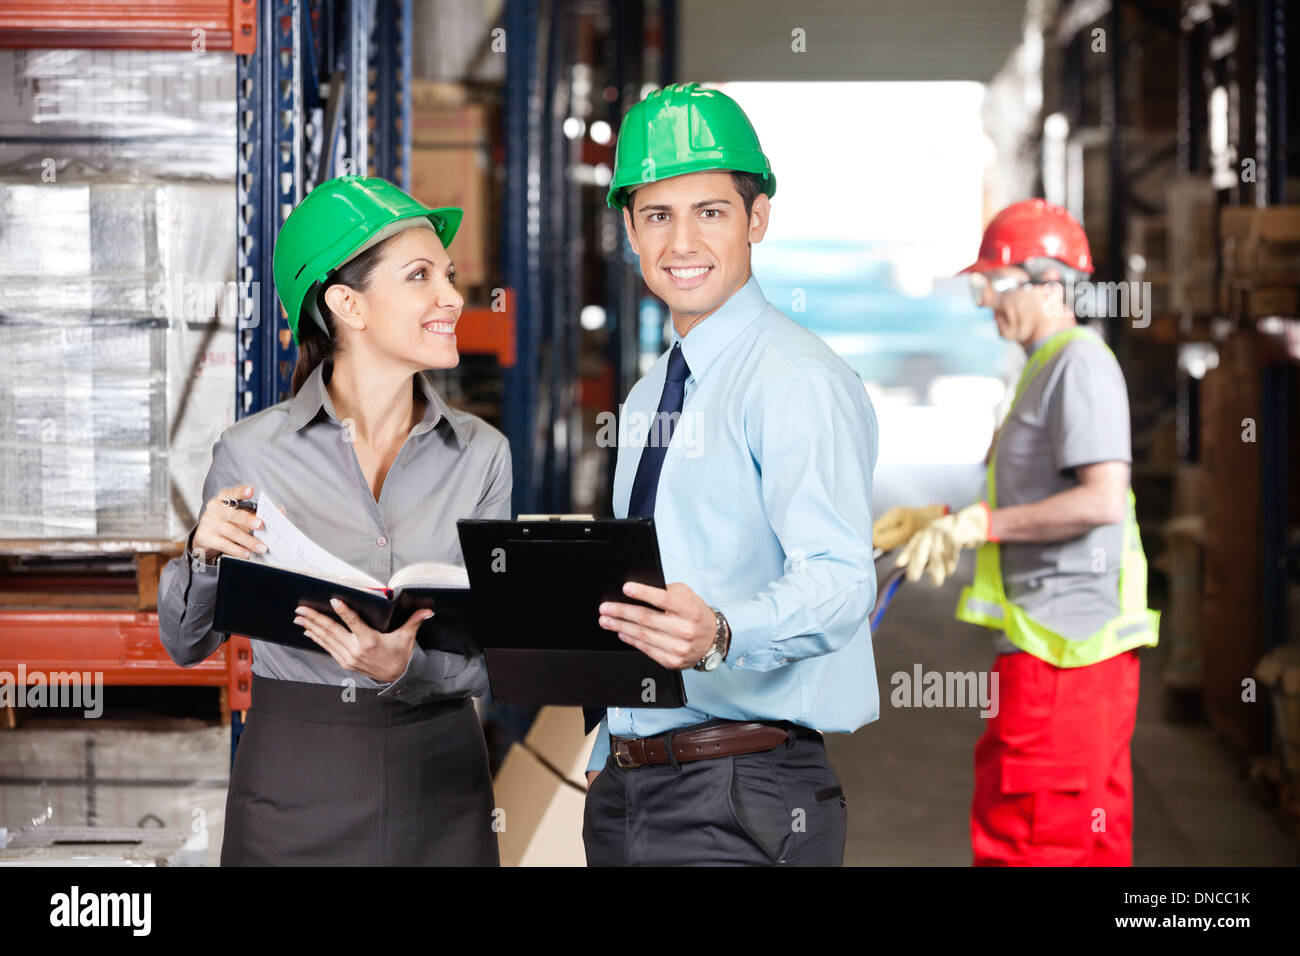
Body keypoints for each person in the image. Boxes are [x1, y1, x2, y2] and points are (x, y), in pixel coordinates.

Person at [157, 175, 511, 866]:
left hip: (440, 782)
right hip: (296, 784)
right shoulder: (252, 452)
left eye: (449, 275)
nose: (451, 298)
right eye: (420, 277)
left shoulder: (481, 455)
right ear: (348, 304)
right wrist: (202, 557)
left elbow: (502, 657)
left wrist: (410, 666)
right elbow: (184, 642)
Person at [582, 83, 879, 866]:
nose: (682, 242)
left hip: (739, 790)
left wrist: (721, 632)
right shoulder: (652, 393)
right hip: (630, 784)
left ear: (758, 219)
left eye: (709, 212)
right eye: (657, 215)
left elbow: (844, 579)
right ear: (629, 231)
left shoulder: (795, 380)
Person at [879, 198, 1159, 866]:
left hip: (1065, 654)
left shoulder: (1078, 365)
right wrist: (946, 519)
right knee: (1089, 841)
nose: (985, 302)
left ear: (1050, 281)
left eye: (995, 285)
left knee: (1032, 840)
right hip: (1059, 651)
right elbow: (1036, 491)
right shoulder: (1039, 367)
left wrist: (983, 524)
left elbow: (1101, 500)